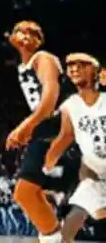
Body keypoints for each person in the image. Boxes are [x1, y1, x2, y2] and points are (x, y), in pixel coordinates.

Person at [6, 20, 79, 243]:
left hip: (59, 127)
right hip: (45, 129)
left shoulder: (43, 58)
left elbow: (49, 101)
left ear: (39, 41)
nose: (26, 36)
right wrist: (31, 128)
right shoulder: (23, 67)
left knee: (26, 192)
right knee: (31, 193)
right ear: (12, 37)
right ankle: (53, 236)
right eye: (21, 31)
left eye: (32, 34)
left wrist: (24, 126)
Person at [44, 53, 106, 242]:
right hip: (95, 176)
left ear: (96, 71)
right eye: (70, 65)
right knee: (70, 225)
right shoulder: (70, 106)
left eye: (81, 65)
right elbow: (65, 137)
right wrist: (46, 167)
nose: (74, 68)